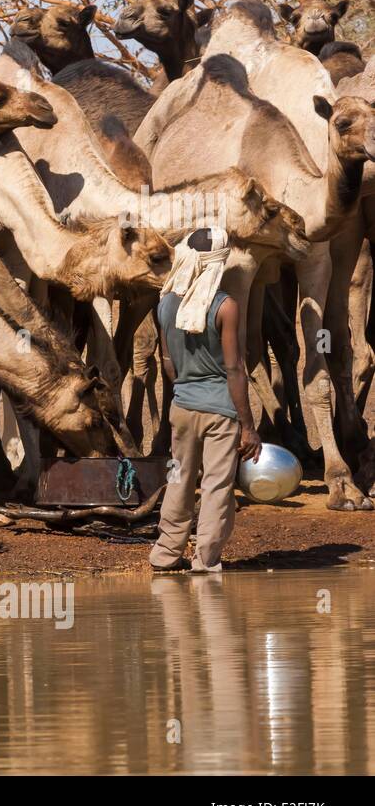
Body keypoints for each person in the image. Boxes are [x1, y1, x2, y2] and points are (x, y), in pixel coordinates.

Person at [150, 227, 261, 574]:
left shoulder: (165, 301)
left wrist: (185, 387)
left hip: (181, 407)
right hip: (220, 412)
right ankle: (206, 559)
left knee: (179, 478)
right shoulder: (225, 306)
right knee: (216, 486)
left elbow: (166, 361)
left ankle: (166, 554)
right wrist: (248, 426)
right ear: (219, 263)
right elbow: (234, 368)